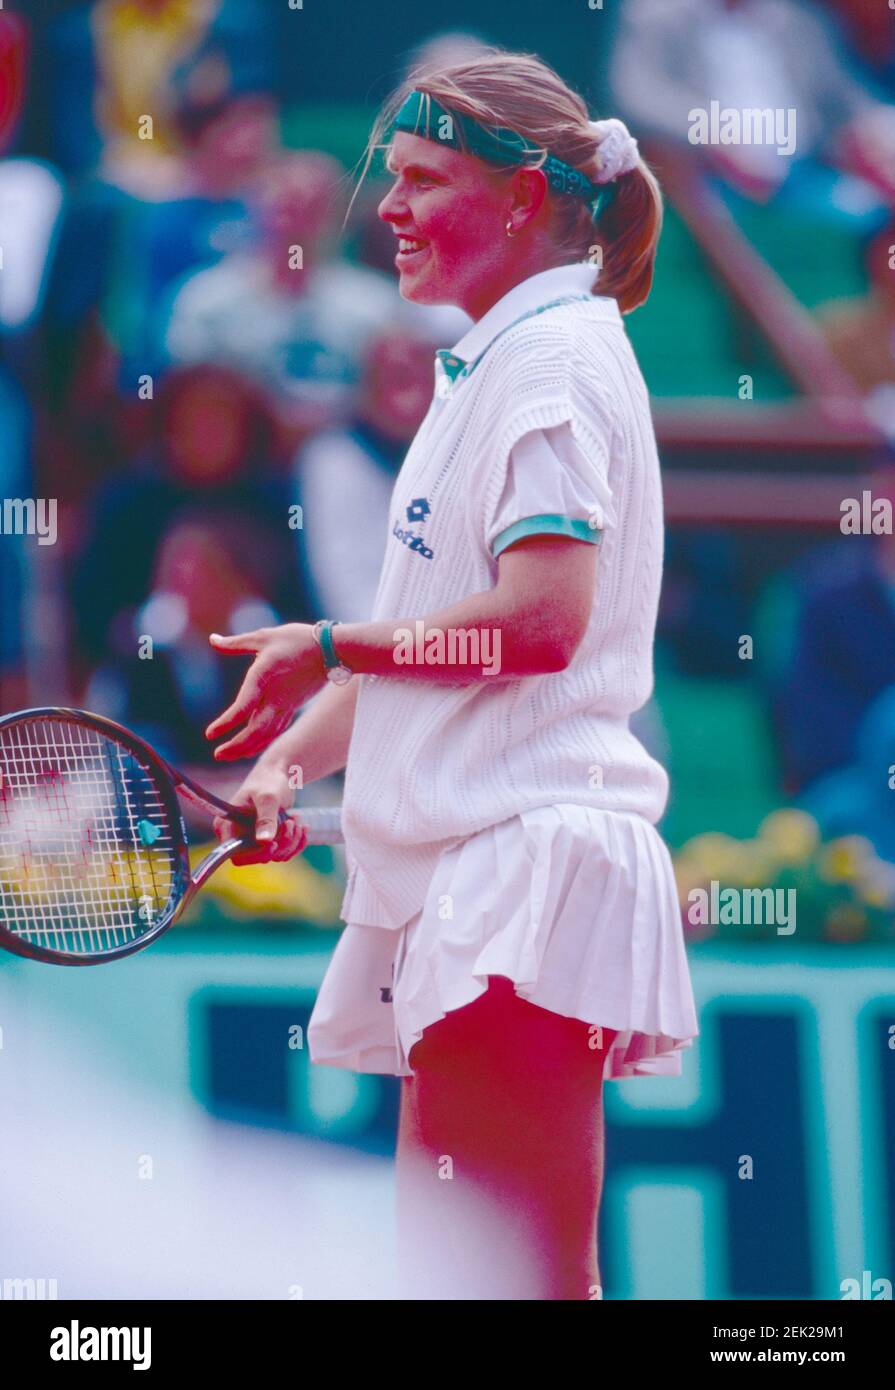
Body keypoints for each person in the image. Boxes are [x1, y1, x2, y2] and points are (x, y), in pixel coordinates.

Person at [206, 48, 699, 1300]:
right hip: (487, 883)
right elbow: (433, 643)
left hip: (522, 879)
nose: (390, 208)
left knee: (513, 1285)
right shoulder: (496, 362)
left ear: (523, 197)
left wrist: (325, 643)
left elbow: (537, 624)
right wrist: (287, 761)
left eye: (424, 179)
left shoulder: (552, 365)